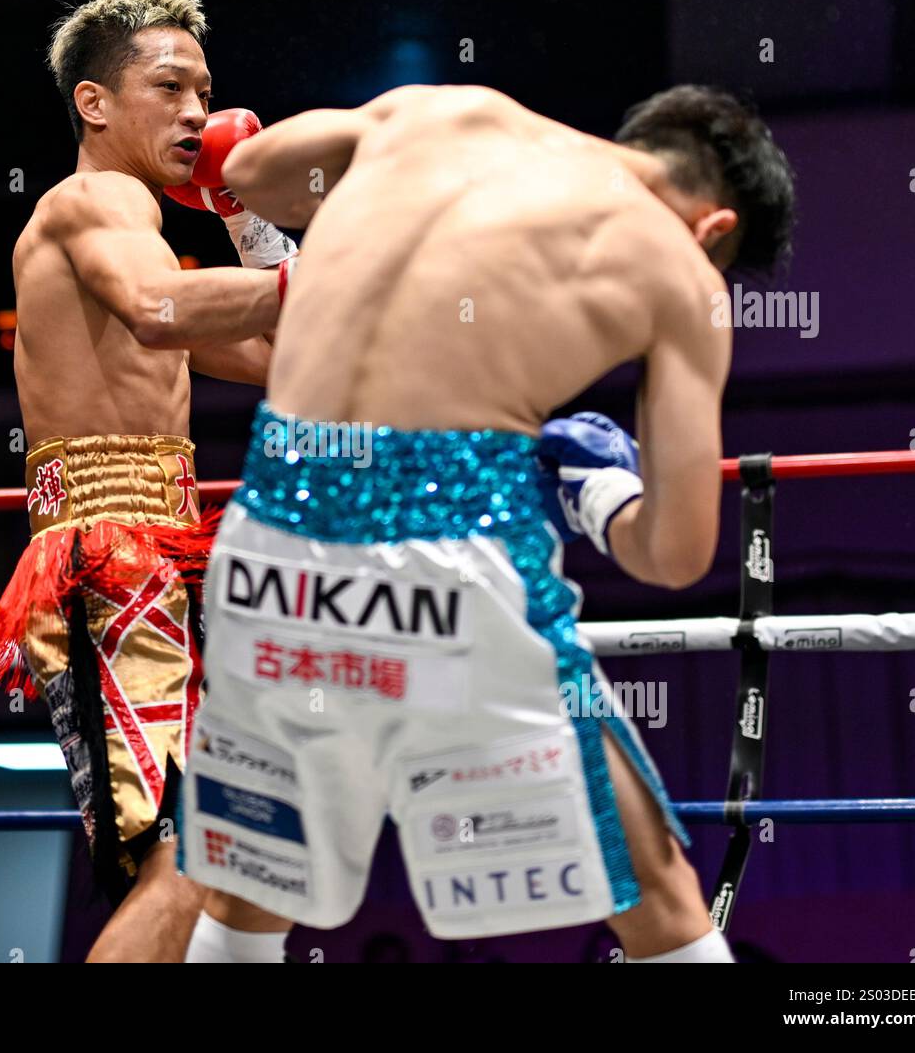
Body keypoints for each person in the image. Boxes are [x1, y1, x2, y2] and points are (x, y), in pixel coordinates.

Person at [179, 82, 795, 963]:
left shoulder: (444, 111)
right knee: (654, 892)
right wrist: (600, 493)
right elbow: (676, 553)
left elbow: (247, 167)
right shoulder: (680, 271)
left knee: (251, 890)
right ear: (713, 227)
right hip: (455, 563)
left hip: (267, 539)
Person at [0, 0, 294, 963]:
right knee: (189, 857)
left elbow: (293, 362)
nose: (198, 112)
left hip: (159, 554)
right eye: (169, 87)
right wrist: (339, 268)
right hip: (110, 558)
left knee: (235, 852)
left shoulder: (137, 237)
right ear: (95, 103)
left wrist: (247, 215)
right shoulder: (91, 200)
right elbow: (162, 308)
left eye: (206, 90)